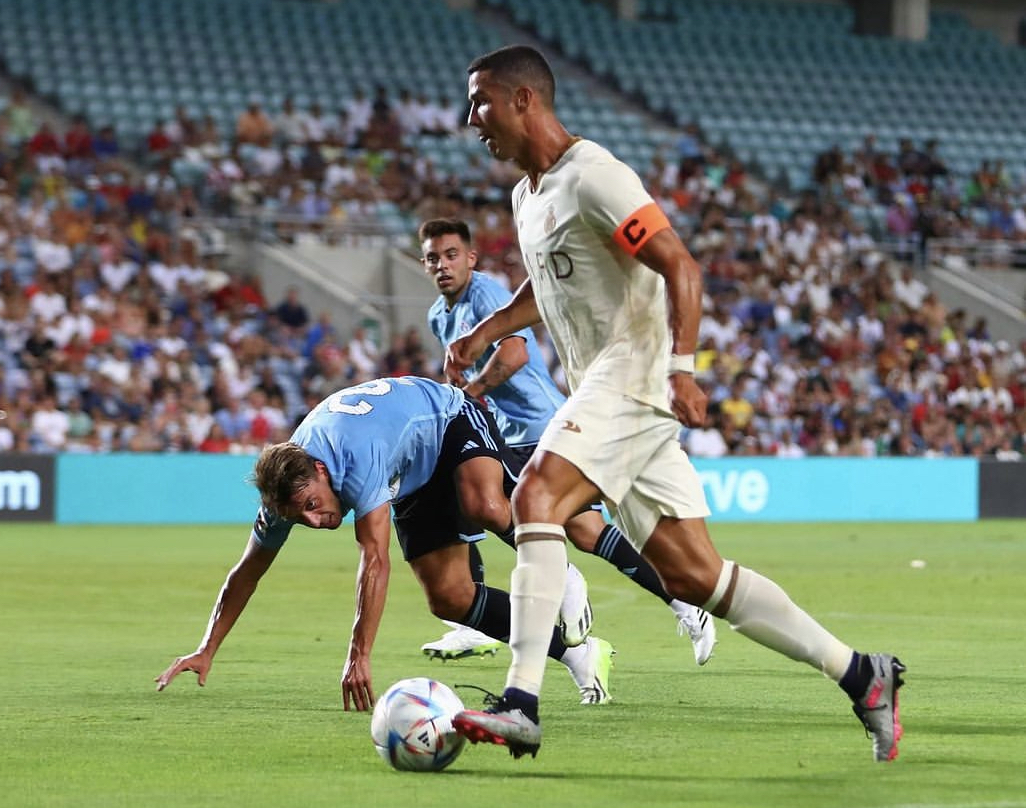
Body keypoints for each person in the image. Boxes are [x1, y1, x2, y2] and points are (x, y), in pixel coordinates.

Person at [445, 45, 904, 763]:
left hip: (634, 375)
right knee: (697, 576)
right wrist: (485, 330)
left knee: (533, 495)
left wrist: (683, 369)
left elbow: (678, 262)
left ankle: (521, 700)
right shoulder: (526, 197)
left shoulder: (594, 176)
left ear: (524, 100)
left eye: (479, 102)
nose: (469, 118)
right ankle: (861, 673)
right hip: (606, 388)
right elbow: (549, 282)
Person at [155, 376, 615, 709]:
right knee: (450, 598)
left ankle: (564, 573)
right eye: (302, 517)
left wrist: (360, 654)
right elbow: (247, 572)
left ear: (320, 471)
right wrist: (207, 647)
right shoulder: (284, 495)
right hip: (412, 469)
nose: (315, 522)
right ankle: (577, 654)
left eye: (313, 505)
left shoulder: (354, 456)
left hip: (450, 417)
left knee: (487, 506)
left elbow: (375, 559)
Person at [417, 217, 715, 665]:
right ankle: (681, 598)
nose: (443, 265)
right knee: (586, 531)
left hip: (537, 423)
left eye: (452, 255)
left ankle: (553, 590)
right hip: (504, 430)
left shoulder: (486, 293)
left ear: (471, 258)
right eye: (433, 258)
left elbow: (514, 353)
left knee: (472, 494)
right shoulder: (439, 315)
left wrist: (470, 392)